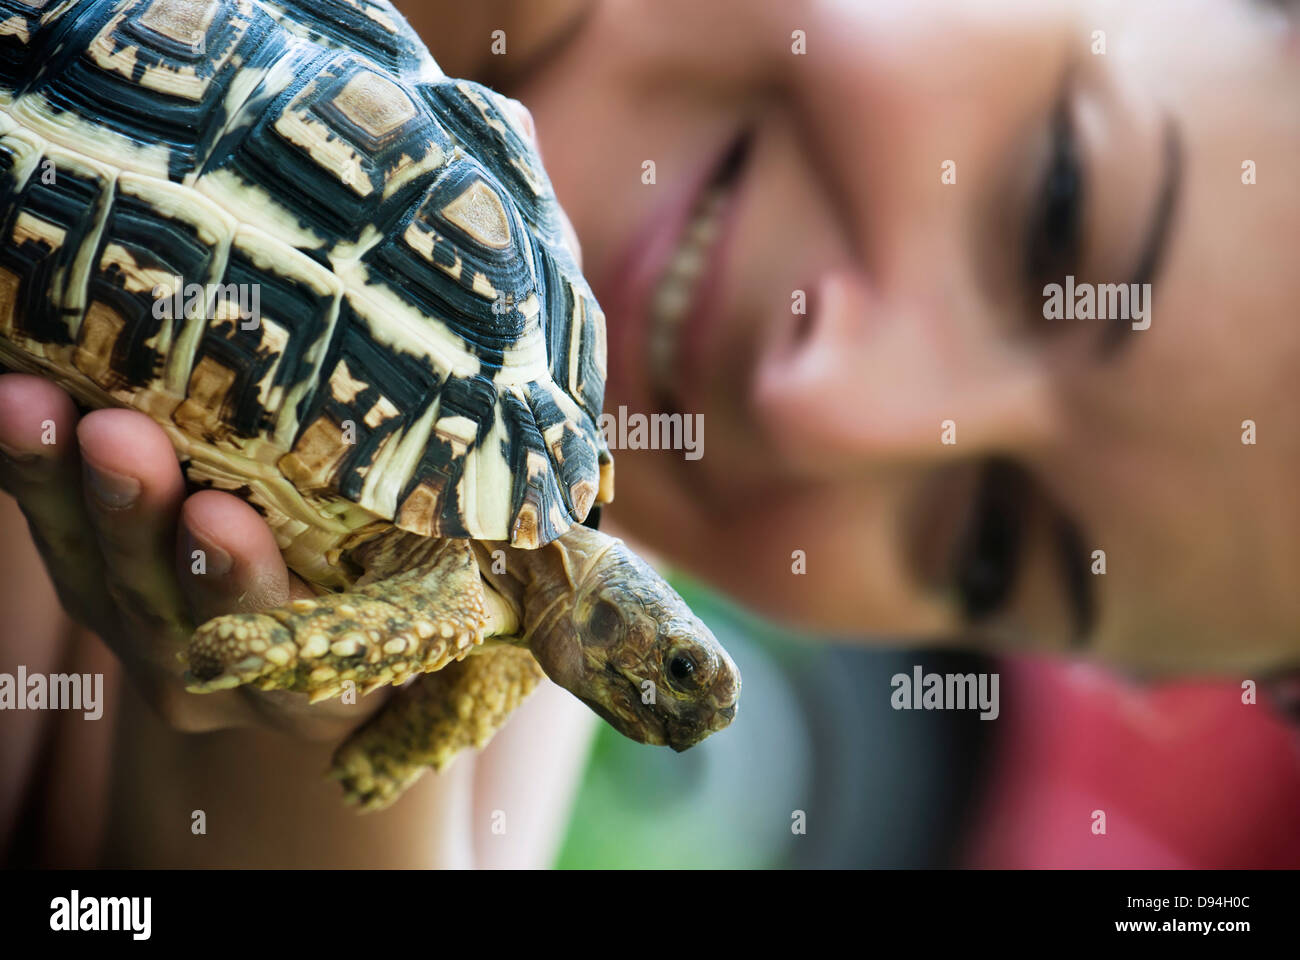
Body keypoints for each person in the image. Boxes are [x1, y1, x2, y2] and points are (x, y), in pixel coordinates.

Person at [3, 0, 1298, 867]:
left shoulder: (475, 764)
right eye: (1052, 210)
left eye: (983, 546)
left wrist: (289, 782)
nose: (827, 400)